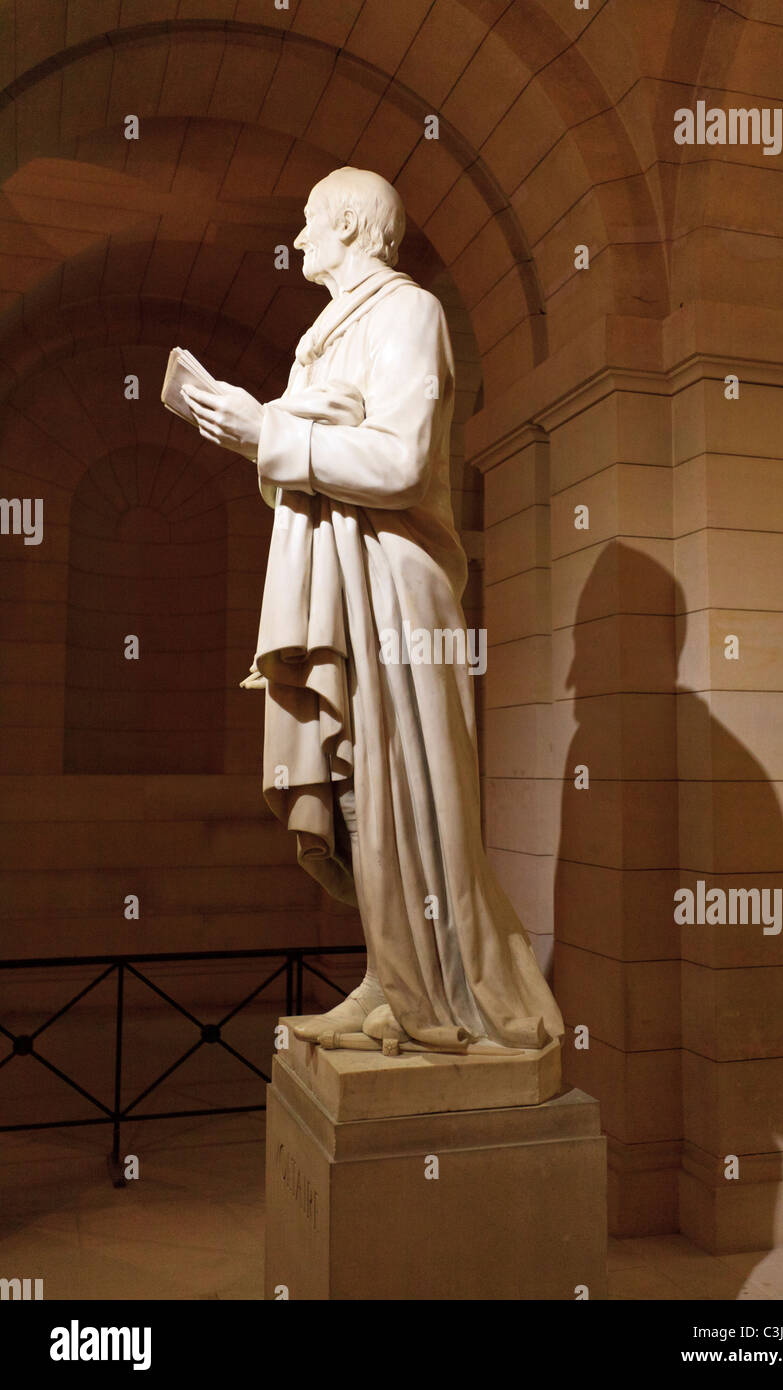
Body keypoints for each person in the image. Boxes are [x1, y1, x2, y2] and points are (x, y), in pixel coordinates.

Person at [182, 167, 563, 1056]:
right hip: (338, 577)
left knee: (400, 783)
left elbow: (397, 464)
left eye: (311, 221)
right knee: (359, 782)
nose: (302, 237)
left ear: (351, 226)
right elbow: (319, 463)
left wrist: (266, 431)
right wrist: (260, 431)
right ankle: (395, 976)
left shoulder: (407, 313)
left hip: (394, 584)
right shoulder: (325, 334)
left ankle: (442, 987)